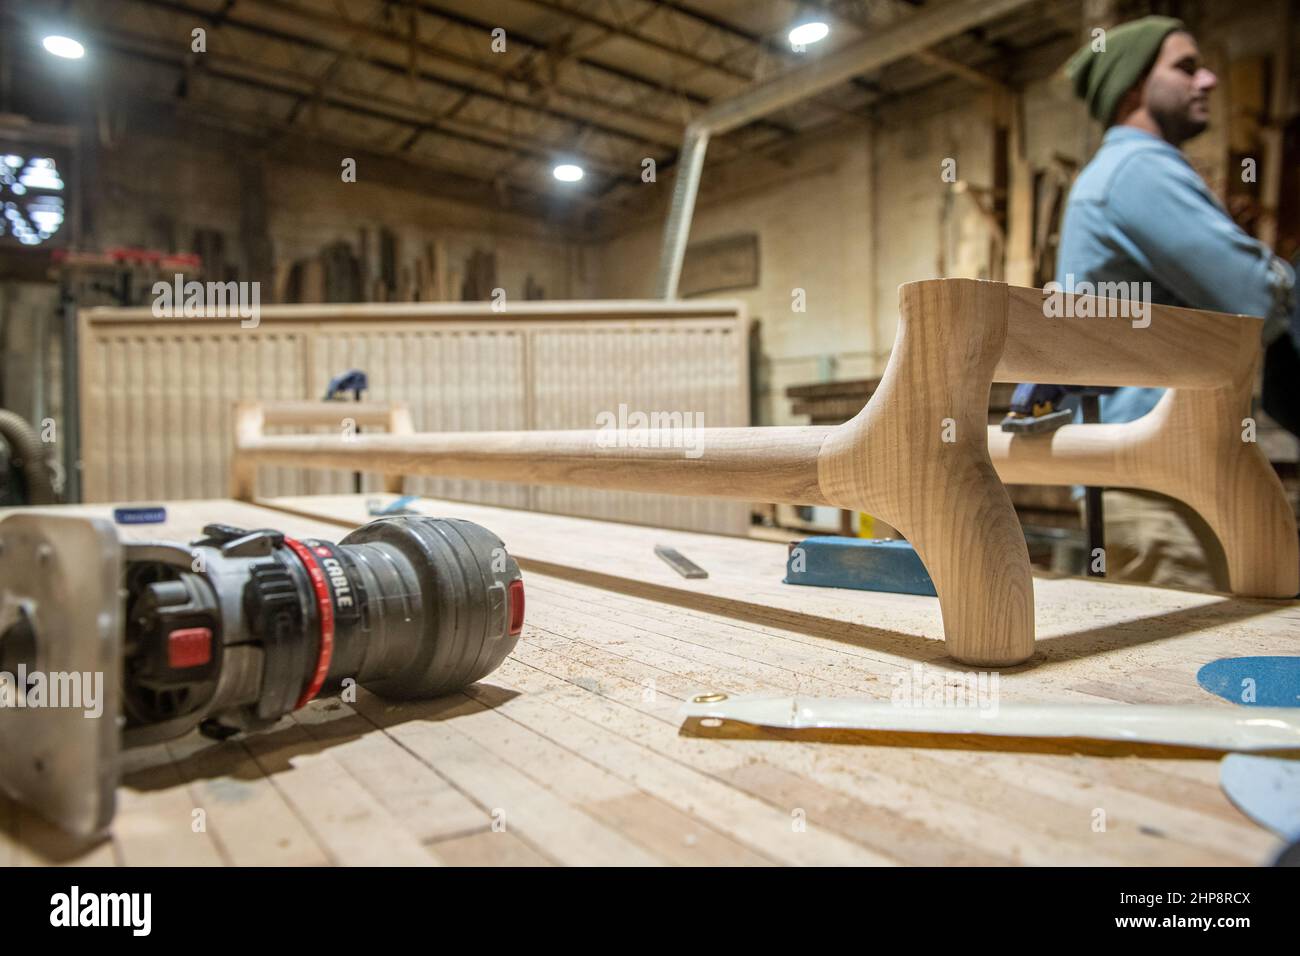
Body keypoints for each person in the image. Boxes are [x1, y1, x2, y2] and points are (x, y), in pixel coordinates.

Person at [1057, 15, 1297, 591]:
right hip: (1158, 481)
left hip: (1153, 472)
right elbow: (1252, 295)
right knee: (1183, 675)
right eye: (1186, 67)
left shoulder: (1119, 171)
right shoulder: (1138, 169)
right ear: (1134, 85)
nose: (1209, 79)